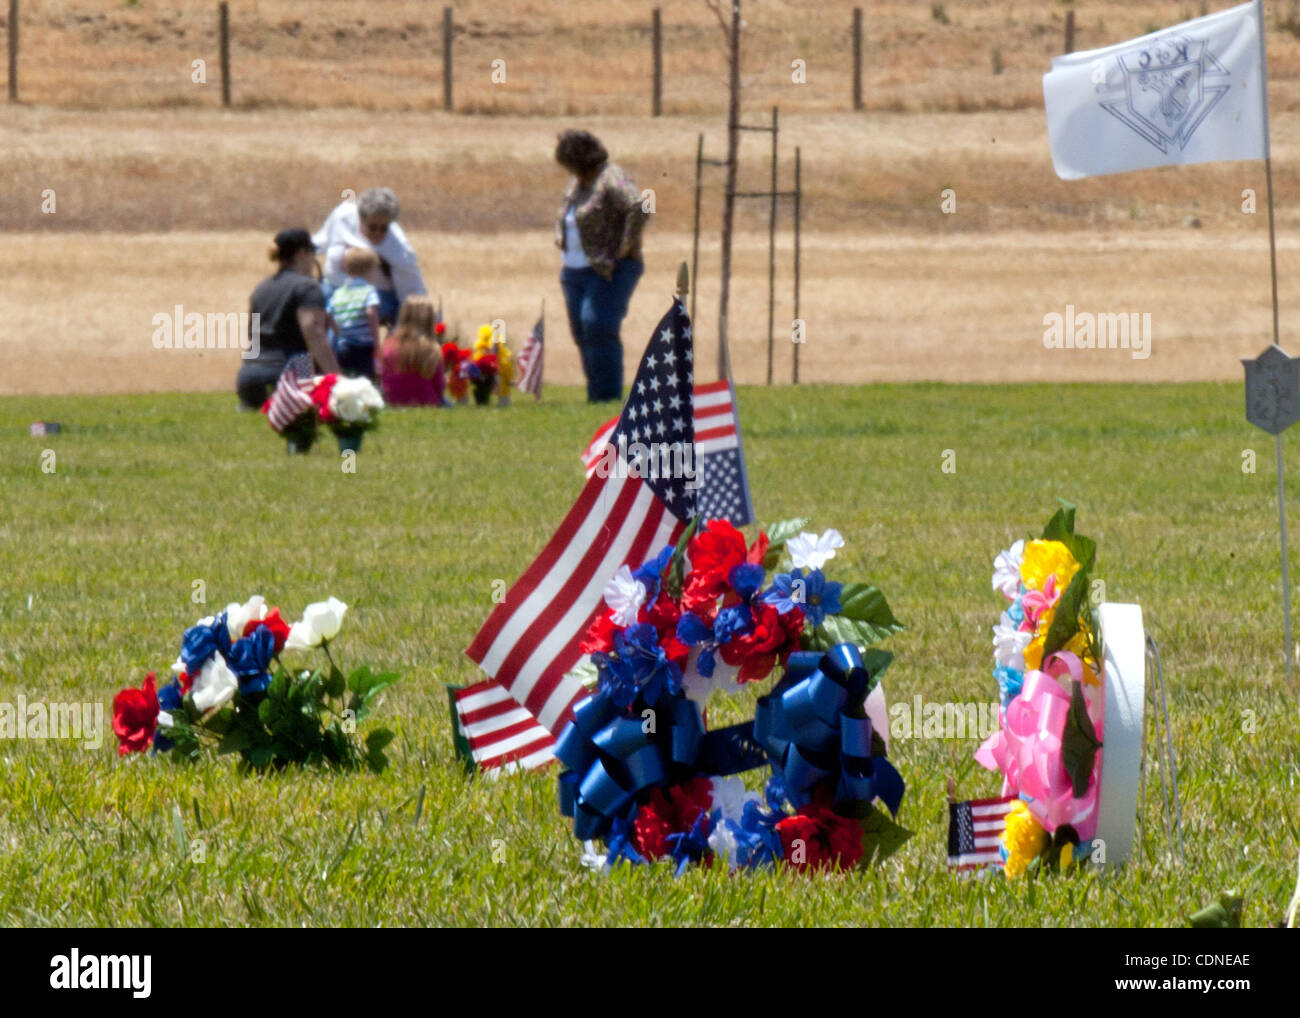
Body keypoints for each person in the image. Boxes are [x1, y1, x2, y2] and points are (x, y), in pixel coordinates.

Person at [554, 130, 647, 402]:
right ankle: (595, 393)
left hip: (608, 269)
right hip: (573, 271)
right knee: (581, 331)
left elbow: (639, 207)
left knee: (597, 324)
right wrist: (559, 235)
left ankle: (607, 396)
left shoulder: (611, 178)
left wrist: (627, 245)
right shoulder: (577, 183)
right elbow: (569, 213)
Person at [235, 228, 340, 410]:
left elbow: (253, 335)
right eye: (312, 253)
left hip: (248, 379)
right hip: (288, 375)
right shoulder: (307, 287)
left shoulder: (262, 288)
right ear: (301, 253)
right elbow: (313, 332)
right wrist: (337, 380)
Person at [313, 187, 427, 329]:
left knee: (346, 321)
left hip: (374, 296)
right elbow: (320, 242)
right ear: (360, 218)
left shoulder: (399, 248)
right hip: (332, 288)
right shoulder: (342, 217)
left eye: (384, 228)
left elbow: (412, 292)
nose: (378, 233)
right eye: (373, 227)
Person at [327, 247, 382, 381]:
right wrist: (376, 340)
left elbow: (328, 314)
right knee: (365, 379)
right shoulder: (369, 291)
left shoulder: (338, 292)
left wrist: (338, 332)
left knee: (346, 378)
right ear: (368, 270)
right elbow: (370, 313)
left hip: (343, 344)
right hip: (363, 345)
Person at [379, 297, 446, 407]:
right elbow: (439, 387)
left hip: (393, 402)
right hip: (428, 402)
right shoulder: (432, 349)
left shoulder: (388, 346)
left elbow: (384, 381)